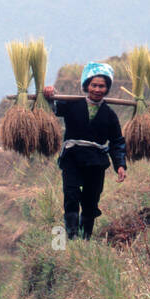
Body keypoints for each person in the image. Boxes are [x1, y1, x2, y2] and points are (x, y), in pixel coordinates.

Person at [43, 62, 127, 241]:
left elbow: (117, 141)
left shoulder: (110, 115)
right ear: (86, 86)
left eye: (102, 86)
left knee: (91, 200)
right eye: (94, 85)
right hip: (72, 158)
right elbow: (53, 108)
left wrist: (120, 165)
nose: (97, 89)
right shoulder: (73, 105)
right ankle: (71, 236)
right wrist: (49, 95)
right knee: (71, 195)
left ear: (107, 88)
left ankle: (85, 237)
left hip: (96, 162)